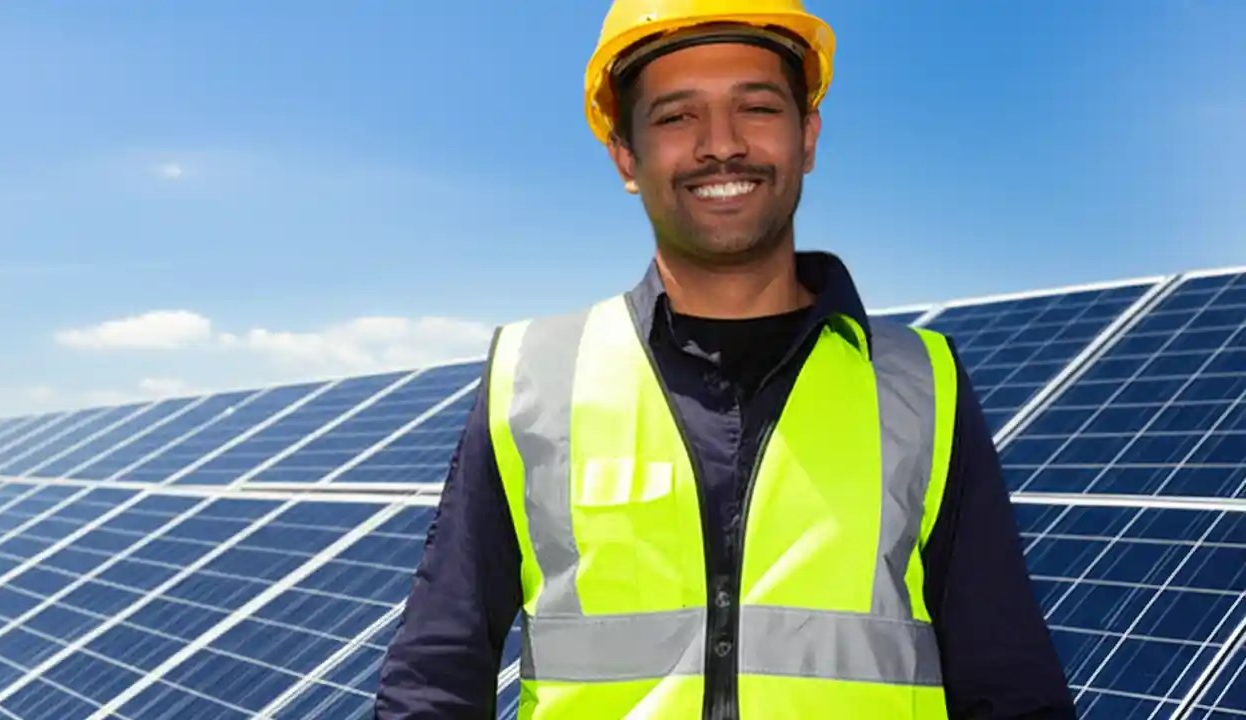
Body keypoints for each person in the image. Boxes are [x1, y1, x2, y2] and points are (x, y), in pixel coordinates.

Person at [375, 1, 1076, 718]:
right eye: (677, 117)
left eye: (758, 107)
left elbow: (1009, 680)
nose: (722, 145)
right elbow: (437, 672)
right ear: (626, 155)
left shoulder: (920, 383)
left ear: (808, 137)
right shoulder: (533, 375)